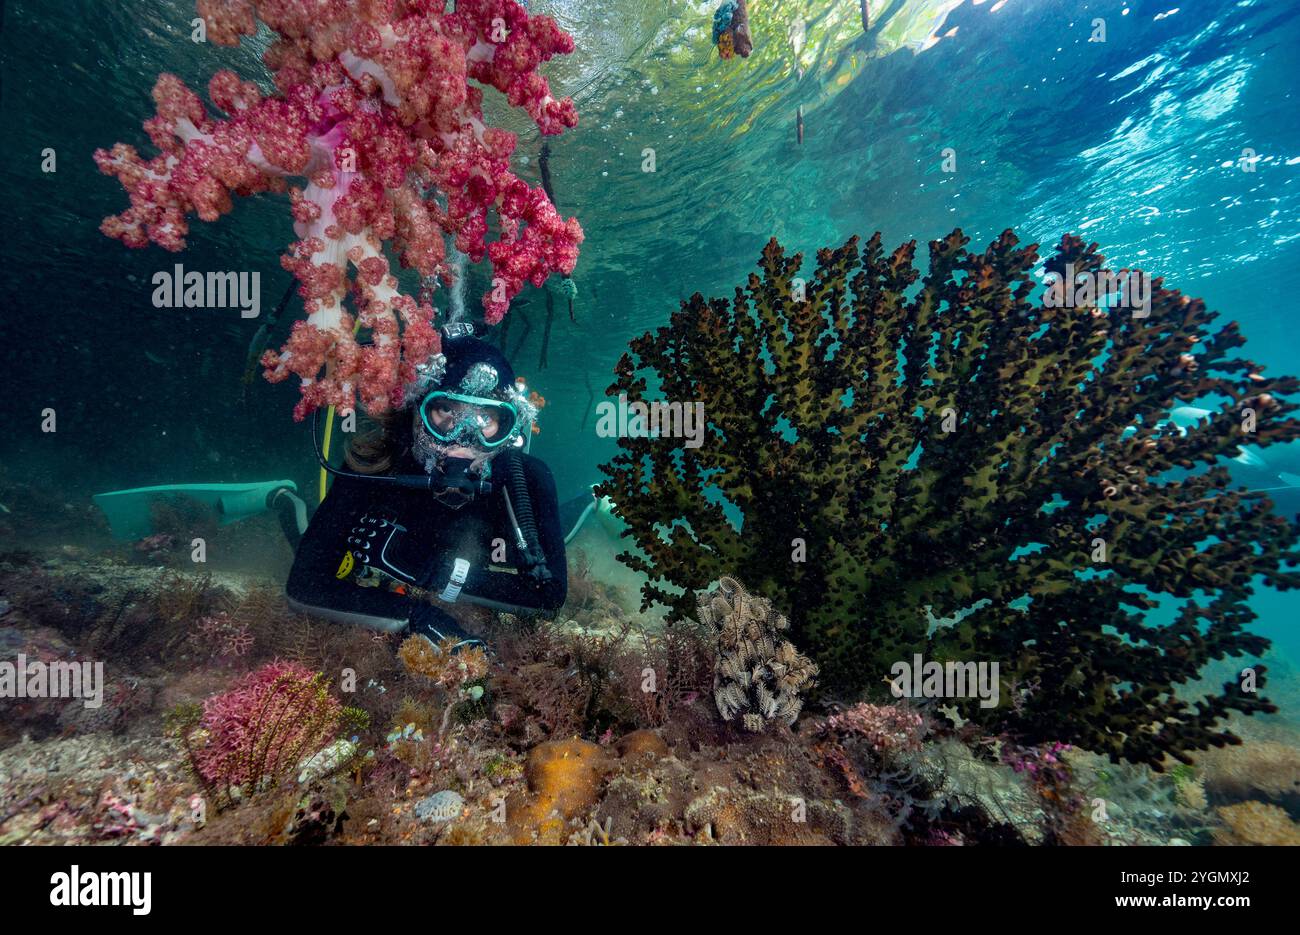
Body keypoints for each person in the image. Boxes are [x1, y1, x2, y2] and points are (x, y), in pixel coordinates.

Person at [279, 324, 567, 649]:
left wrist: (428, 570)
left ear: (508, 425)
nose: (462, 439)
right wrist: (414, 614)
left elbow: (549, 596)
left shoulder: (526, 480)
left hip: (464, 554)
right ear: (417, 409)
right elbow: (305, 584)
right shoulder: (375, 465)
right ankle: (283, 499)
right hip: (366, 566)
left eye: (485, 418)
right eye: (446, 410)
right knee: (302, 537)